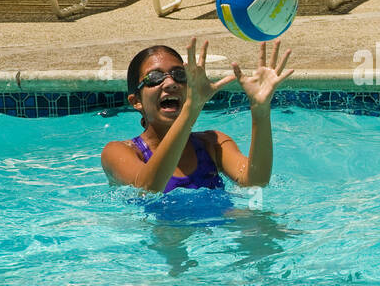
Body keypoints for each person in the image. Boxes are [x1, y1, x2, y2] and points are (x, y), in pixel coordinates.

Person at [101, 39, 294, 194]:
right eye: (154, 78)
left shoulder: (213, 143)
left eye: (179, 74)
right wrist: (191, 109)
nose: (170, 83)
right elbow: (148, 189)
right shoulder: (118, 152)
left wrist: (260, 111)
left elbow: (256, 182)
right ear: (136, 101)